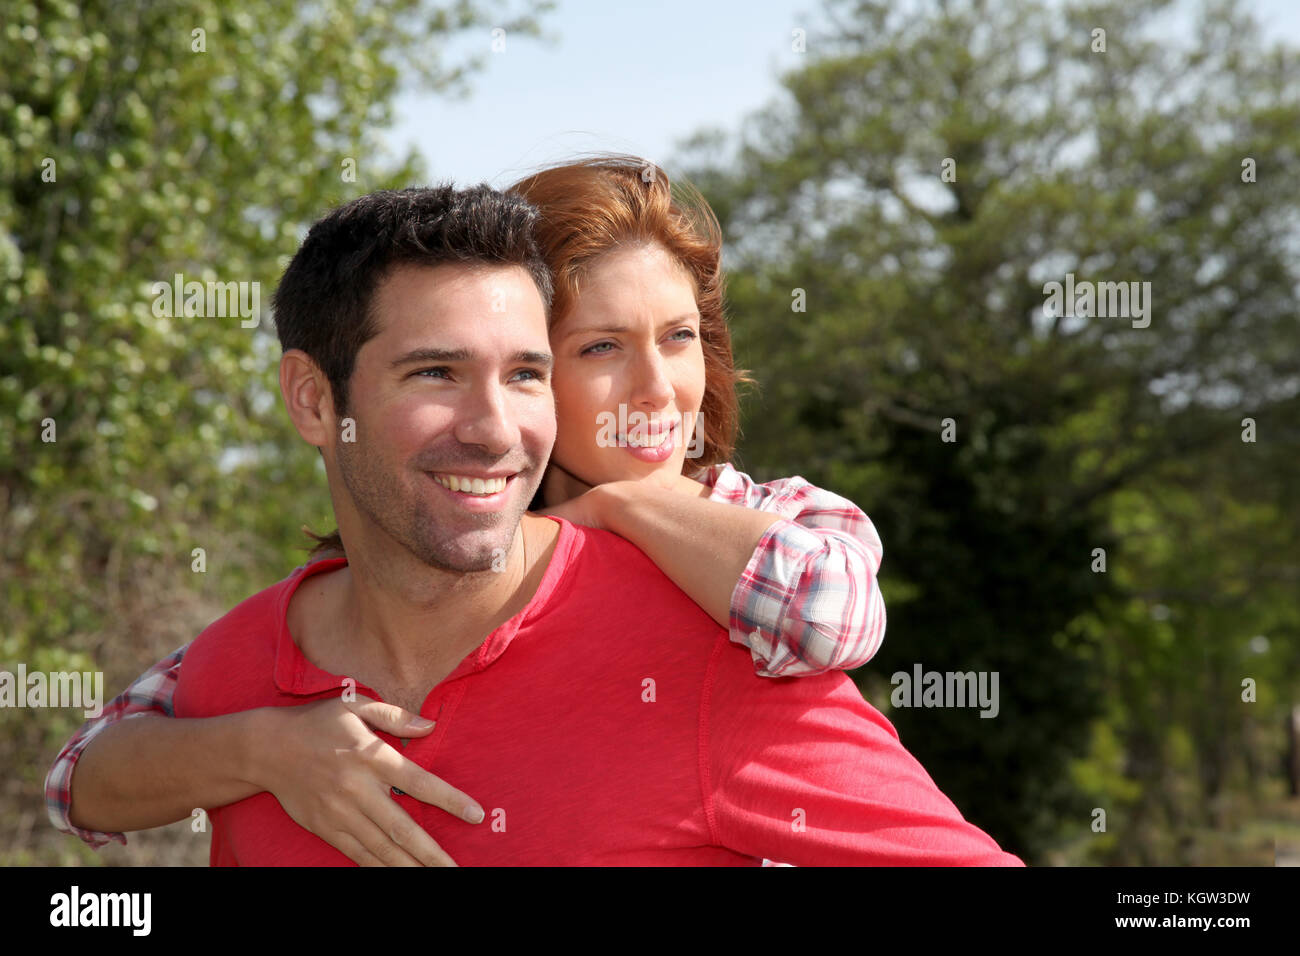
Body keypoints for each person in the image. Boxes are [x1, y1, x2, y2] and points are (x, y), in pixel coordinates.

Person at [46, 176, 1018, 865]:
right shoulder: (249, 655)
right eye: (438, 371)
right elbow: (81, 776)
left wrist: (626, 504)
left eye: (522, 374)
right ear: (313, 399)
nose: (493, 424)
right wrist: (259, 749)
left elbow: (829, 610)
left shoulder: (718, 622)